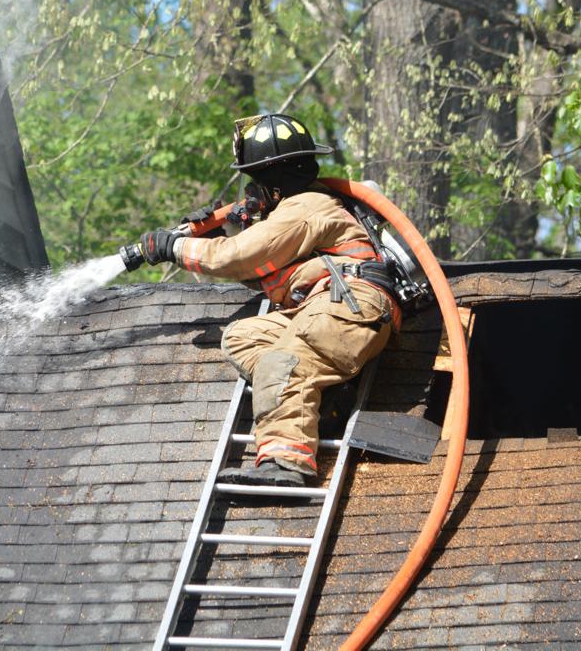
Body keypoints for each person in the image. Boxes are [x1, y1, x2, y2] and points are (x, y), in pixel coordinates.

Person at [137, 114, 400, 487]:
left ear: (274, 180)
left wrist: (174, 247)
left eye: (255, 180)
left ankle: (286, 462)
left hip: (349, 306)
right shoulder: (300, 208)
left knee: (281, 362)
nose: (252, 190)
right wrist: (226, 226)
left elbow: (236, 257)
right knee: (243, 336)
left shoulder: (305, 206)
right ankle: (320, 395)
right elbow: (261, 270)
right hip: (324, 308)